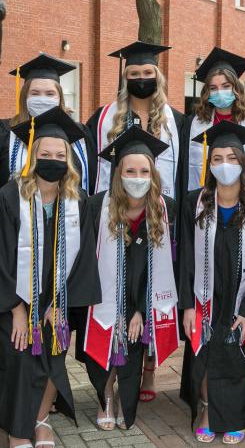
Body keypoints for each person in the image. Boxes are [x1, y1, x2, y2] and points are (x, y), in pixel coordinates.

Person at [0, 108, 99, 448]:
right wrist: (18, 308)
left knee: (53, 359)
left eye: (59, 155)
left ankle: (42, 419)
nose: (52, 160)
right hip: (12, 303)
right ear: (32, 156)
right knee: (18, 363)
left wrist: (60, 305)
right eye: (45, 154)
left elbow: (83, 260)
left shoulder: (78, 202)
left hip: (57, 303)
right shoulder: (7, 198)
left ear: (69, 159)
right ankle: (18, 431)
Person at [178, 121, 245, 445]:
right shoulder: (195, 202)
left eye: (232, 158)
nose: (225, 165)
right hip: (205, 295)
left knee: (235, 352)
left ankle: (235, 416)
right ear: (209, 164)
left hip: (242, 295)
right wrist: (187, 305)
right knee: (205, 351)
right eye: (218, 158)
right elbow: (184, 259)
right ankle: (207, 409)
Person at [76, 127, 180, 430]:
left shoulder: (165, 209)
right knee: (105, 339)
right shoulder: (96, 207)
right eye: (130, 170)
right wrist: (114, 308)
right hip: (101, 298)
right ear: (118, 172)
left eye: (144, 171)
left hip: (142, 297)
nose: (137, 177)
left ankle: (124, 396)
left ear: (153, 174)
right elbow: (86, 262)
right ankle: (106, 394)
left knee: (133, 340)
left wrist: (139, 310)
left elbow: (166, 268)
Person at [0, 53, 95, 192]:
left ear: (60, 98)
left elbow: (91, 180)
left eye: (50, 94)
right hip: (14, 212)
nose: (42, 99)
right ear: (25, 97)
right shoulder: (2, 132)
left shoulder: (79, 135)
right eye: (35, 93)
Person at [88, 41, 186, 200]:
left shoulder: (176, 121)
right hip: (117, 204)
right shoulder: (102, 118)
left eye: (148, 73)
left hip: (158, 206)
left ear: (157, 77)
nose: (141, 78)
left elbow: (182, 172)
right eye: (134, 74)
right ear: (125, 79)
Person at [180, 47, 245, 192]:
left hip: (239, 195)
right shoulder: (193, 123)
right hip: (202, 194)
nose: (219, 92)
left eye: (226, 86)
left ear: (236, 88)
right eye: (213, 88)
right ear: (207, 92)